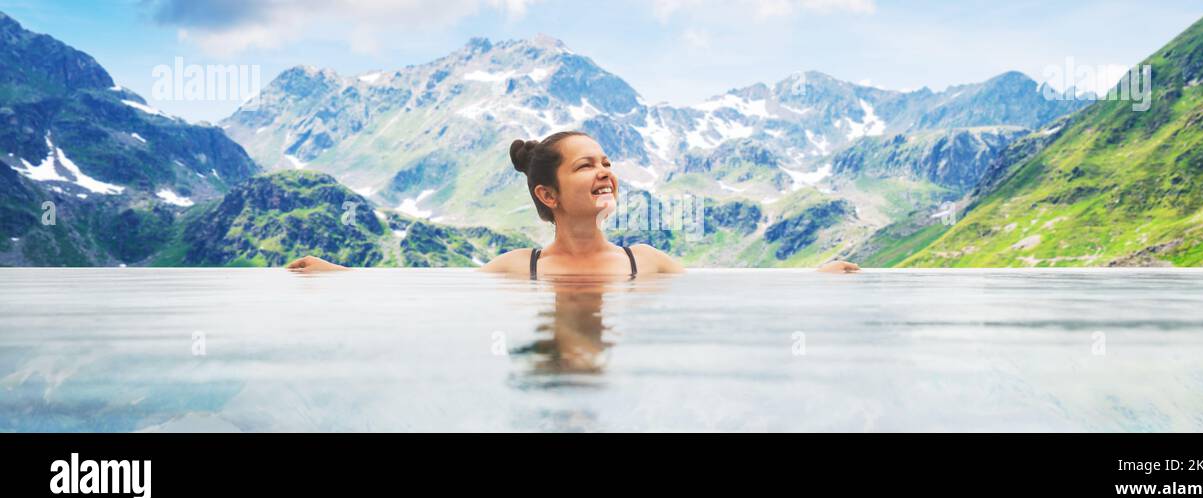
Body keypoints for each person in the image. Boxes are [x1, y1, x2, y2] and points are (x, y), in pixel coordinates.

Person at [286, 131, 859, 275]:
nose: (606, 171)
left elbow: (731, 293)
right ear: (548, 195)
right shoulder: (521, 268)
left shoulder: (646, 261)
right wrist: (339, 275)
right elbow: (433, 290)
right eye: (587, 165)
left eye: (607, 162)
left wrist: (816, 275)